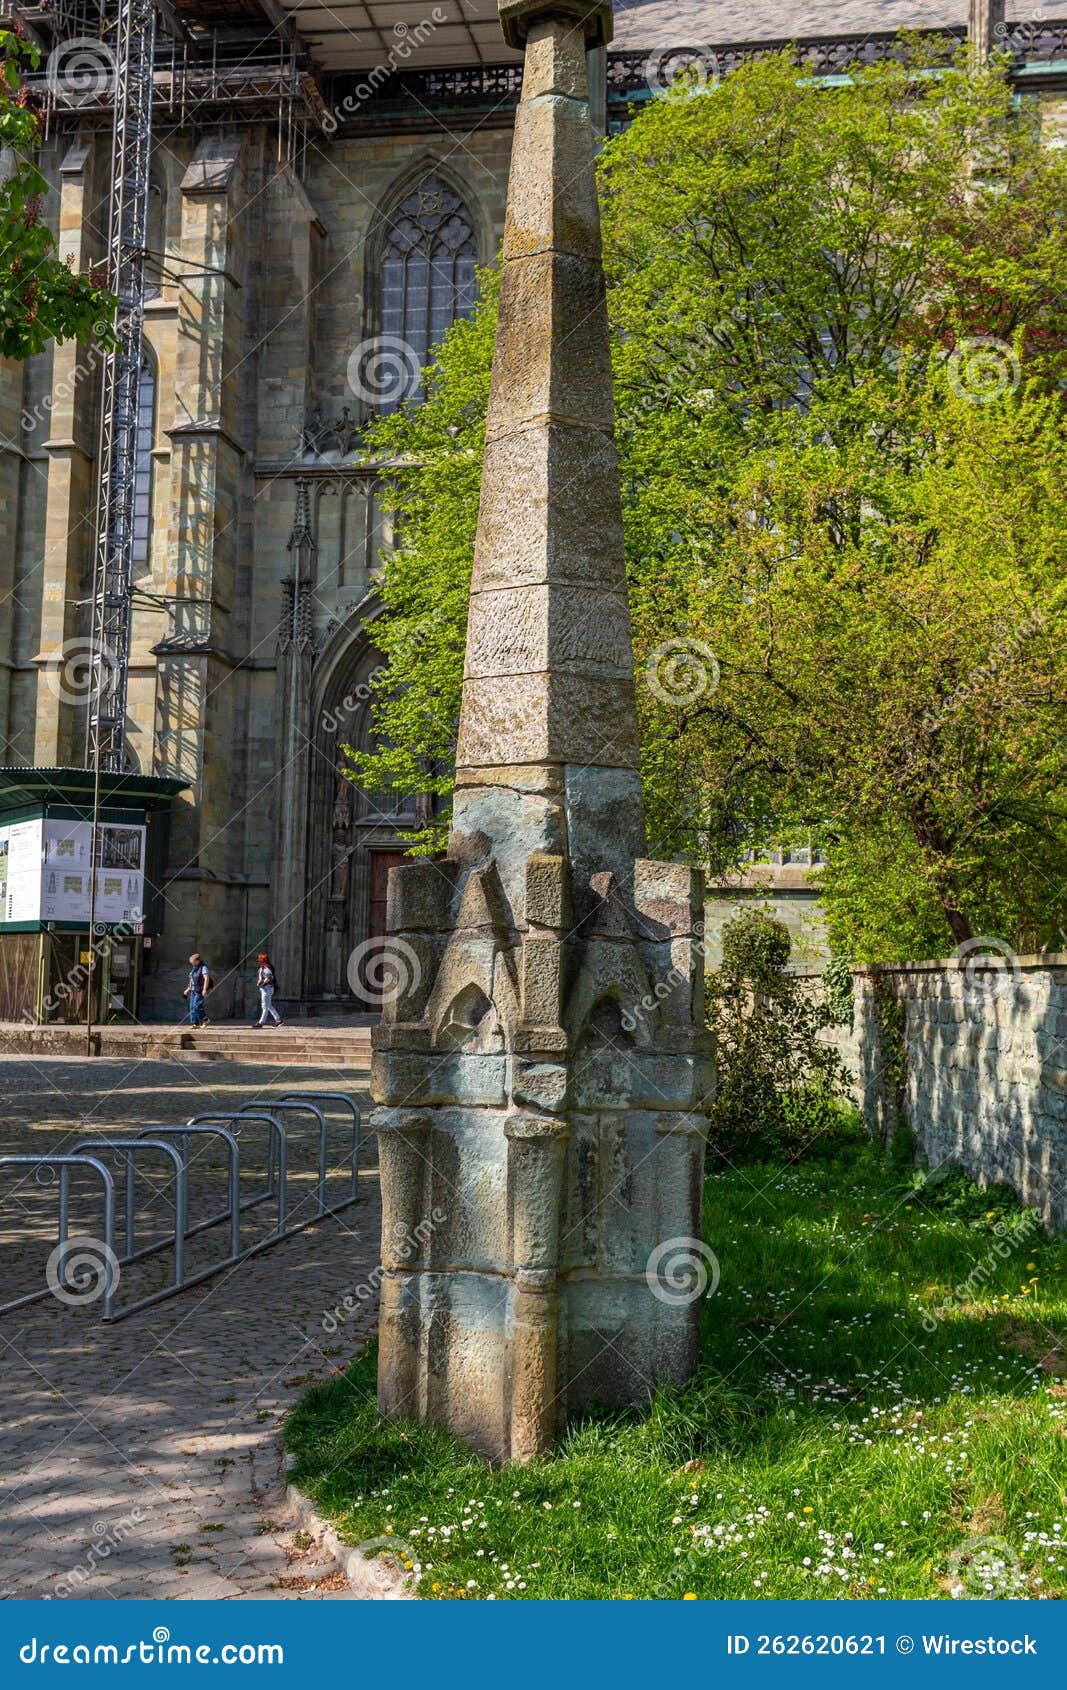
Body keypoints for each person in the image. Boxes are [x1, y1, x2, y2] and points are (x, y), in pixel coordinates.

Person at [254, 952, 282, 1028]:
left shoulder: (266, 967)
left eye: (259, 958)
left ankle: (261, 1022)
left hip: (267, 988)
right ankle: (278, 1020)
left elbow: (269, 977)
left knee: (264, 1006)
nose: (258, 960)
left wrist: (262, 984)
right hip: (267, 988)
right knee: (268, 1005)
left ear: (262, 959)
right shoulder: (264, 967)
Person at [183, 953, 211, 1026]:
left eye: (193, 962)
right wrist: (187, 990)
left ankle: (205, 1019)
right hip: (193, 990)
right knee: (192, 1007)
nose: (192, 964)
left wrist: (204, 990)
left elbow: (206, 978)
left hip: (200, 990)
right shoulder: (194, 970)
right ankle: (195, 1023)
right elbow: (191, 981)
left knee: (196, 1006)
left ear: (198, 961)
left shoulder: (203, 967)